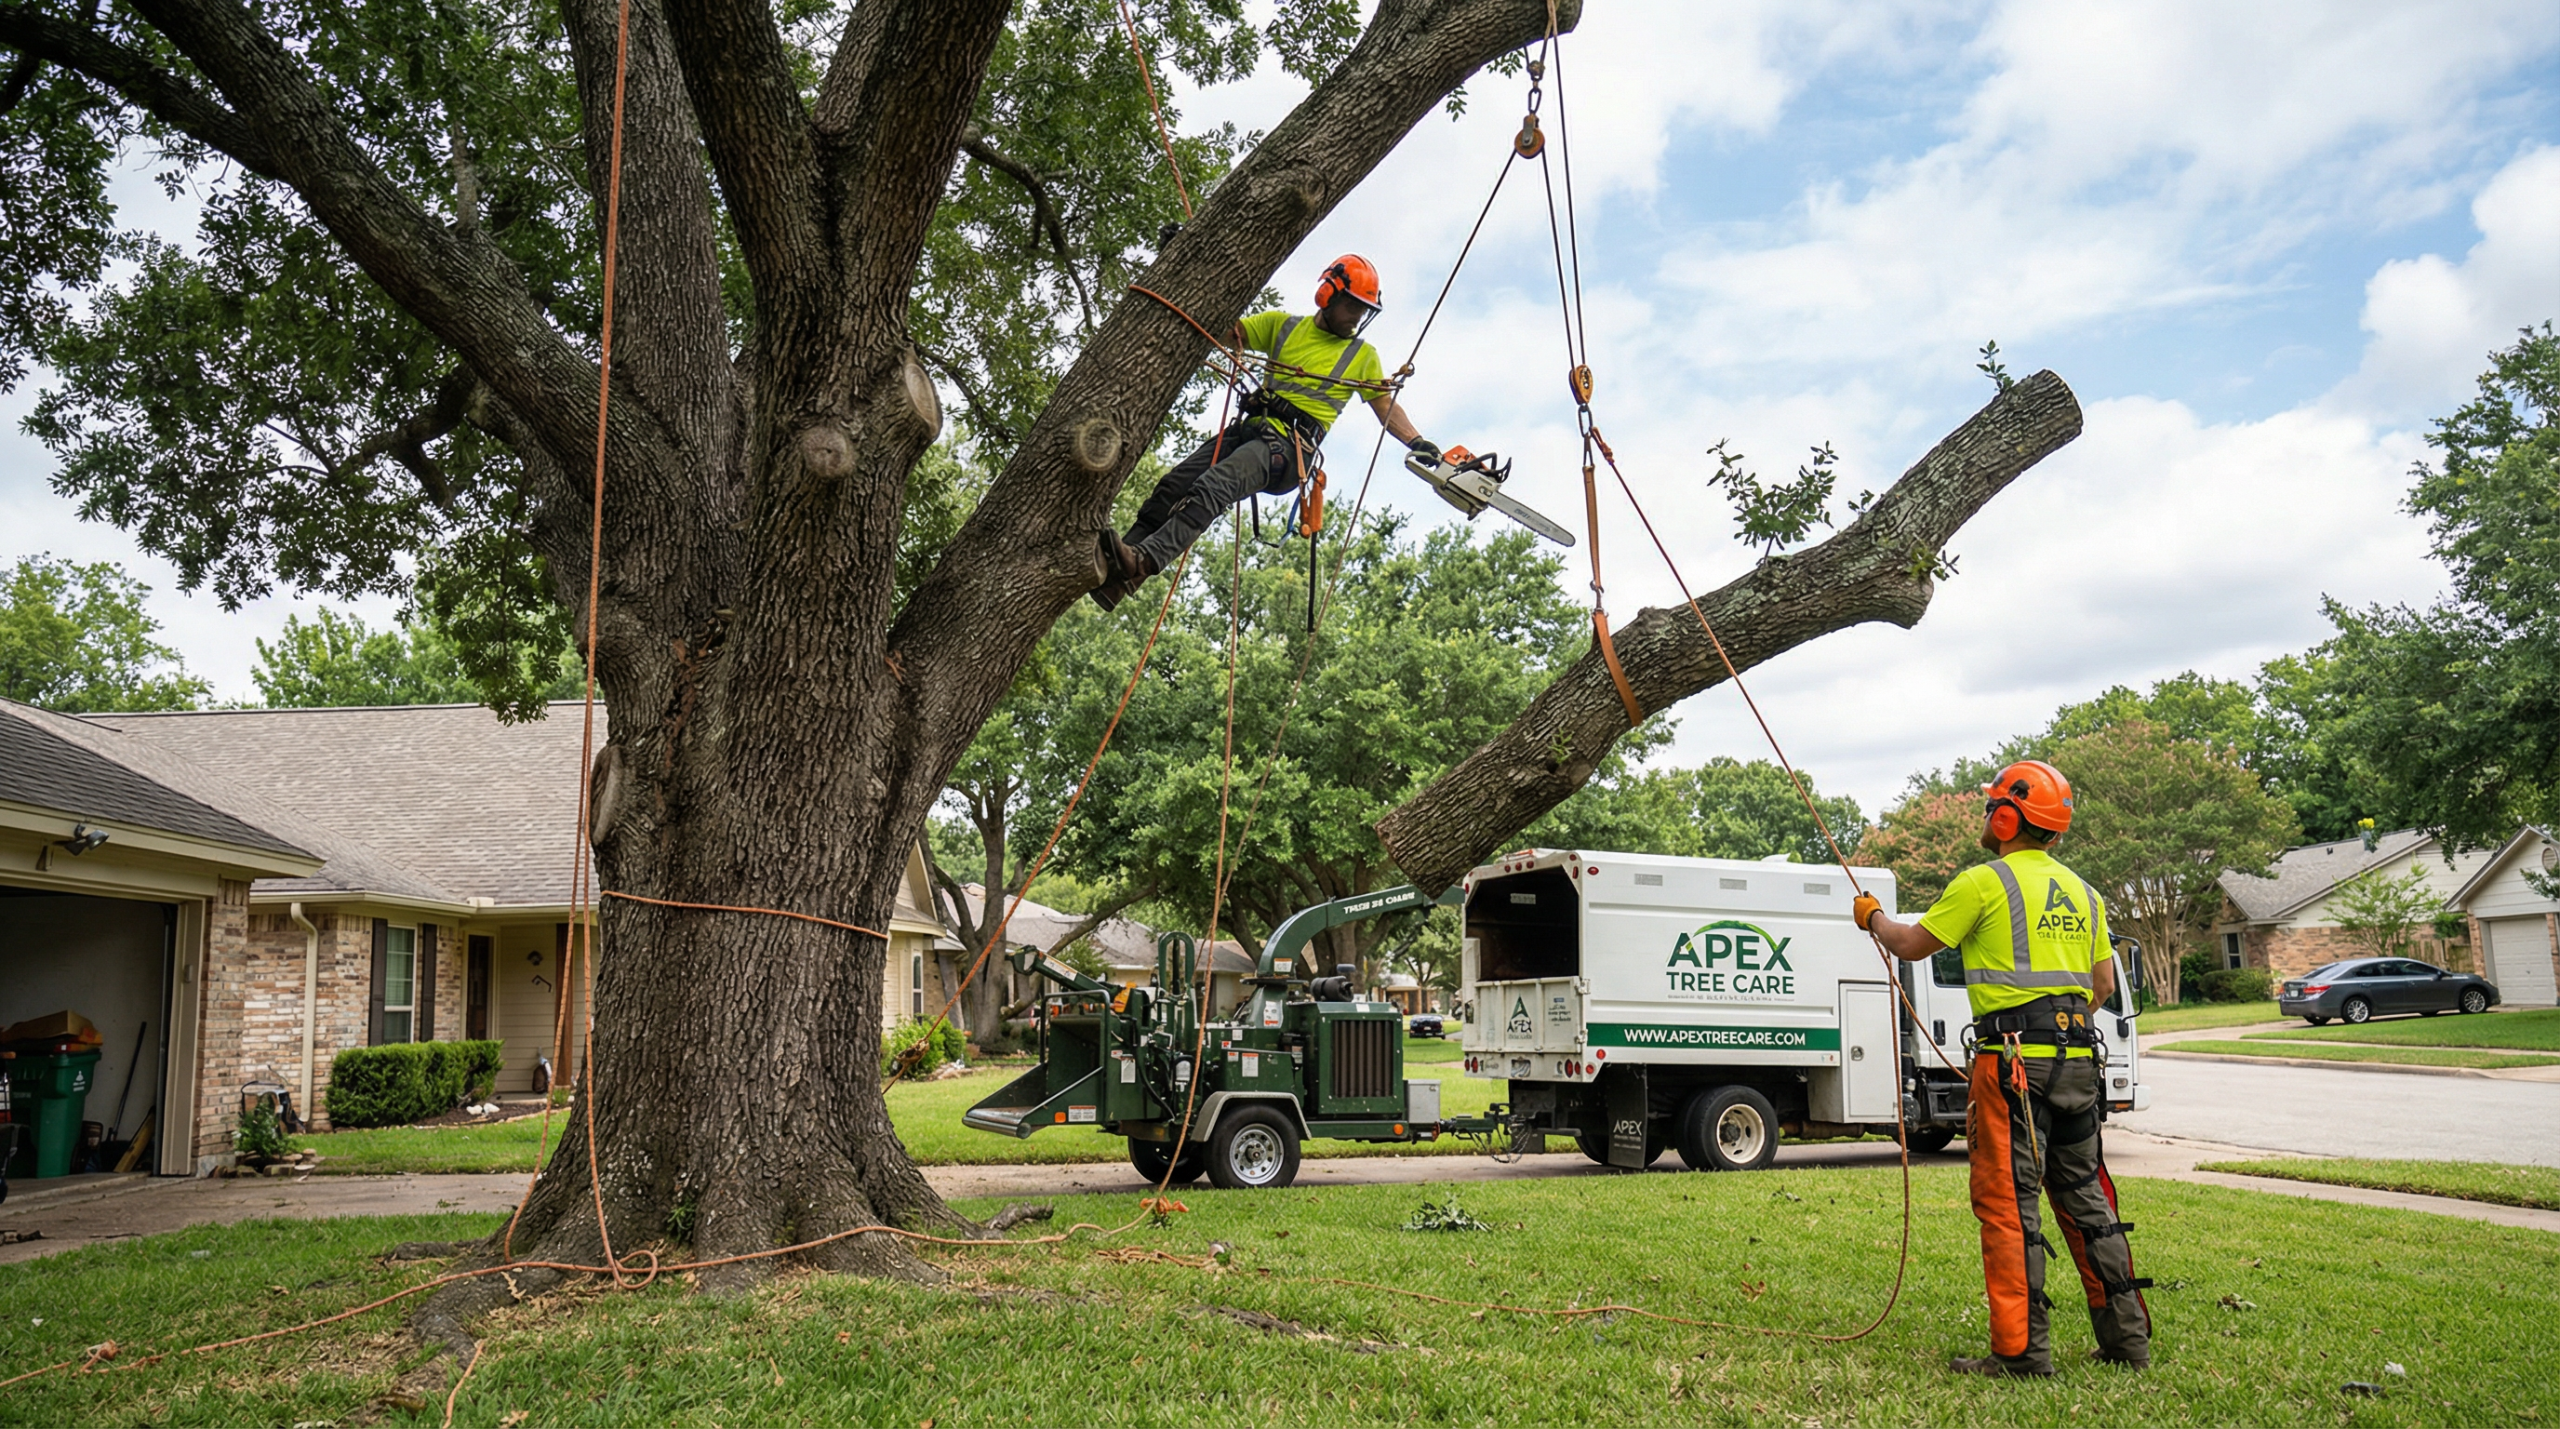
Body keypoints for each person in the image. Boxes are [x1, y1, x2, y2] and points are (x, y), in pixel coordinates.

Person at [1853, 759, 2154, 1378]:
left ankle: (2020, 1353)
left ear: (2010, 816)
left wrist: (1872, 918)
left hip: (2011, 1068)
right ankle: (2128, 1340)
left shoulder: (1983, 882)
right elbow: (2100, 984)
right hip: (2077, 1064)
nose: (1987, 816)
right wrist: (2060, 1023)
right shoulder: (2086, 894)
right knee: (2086, 1197)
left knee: (2010, 1204)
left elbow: (1910, 945)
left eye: (1993, 806)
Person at [1094, 255, 1438, 609]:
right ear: (1328, 295)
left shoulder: (1361, 355)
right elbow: (1222, 331)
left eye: (1364, 310)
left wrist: (1417, 441)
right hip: (1248, 431)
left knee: (1216, 485)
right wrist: (1186, 264)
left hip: (1288, 451)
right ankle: (1113, 575)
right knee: (1173, 485)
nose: (1357, 317)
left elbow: (1385, 407)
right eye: (1352, 306)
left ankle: (1143, 561)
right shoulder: (1283, 326)